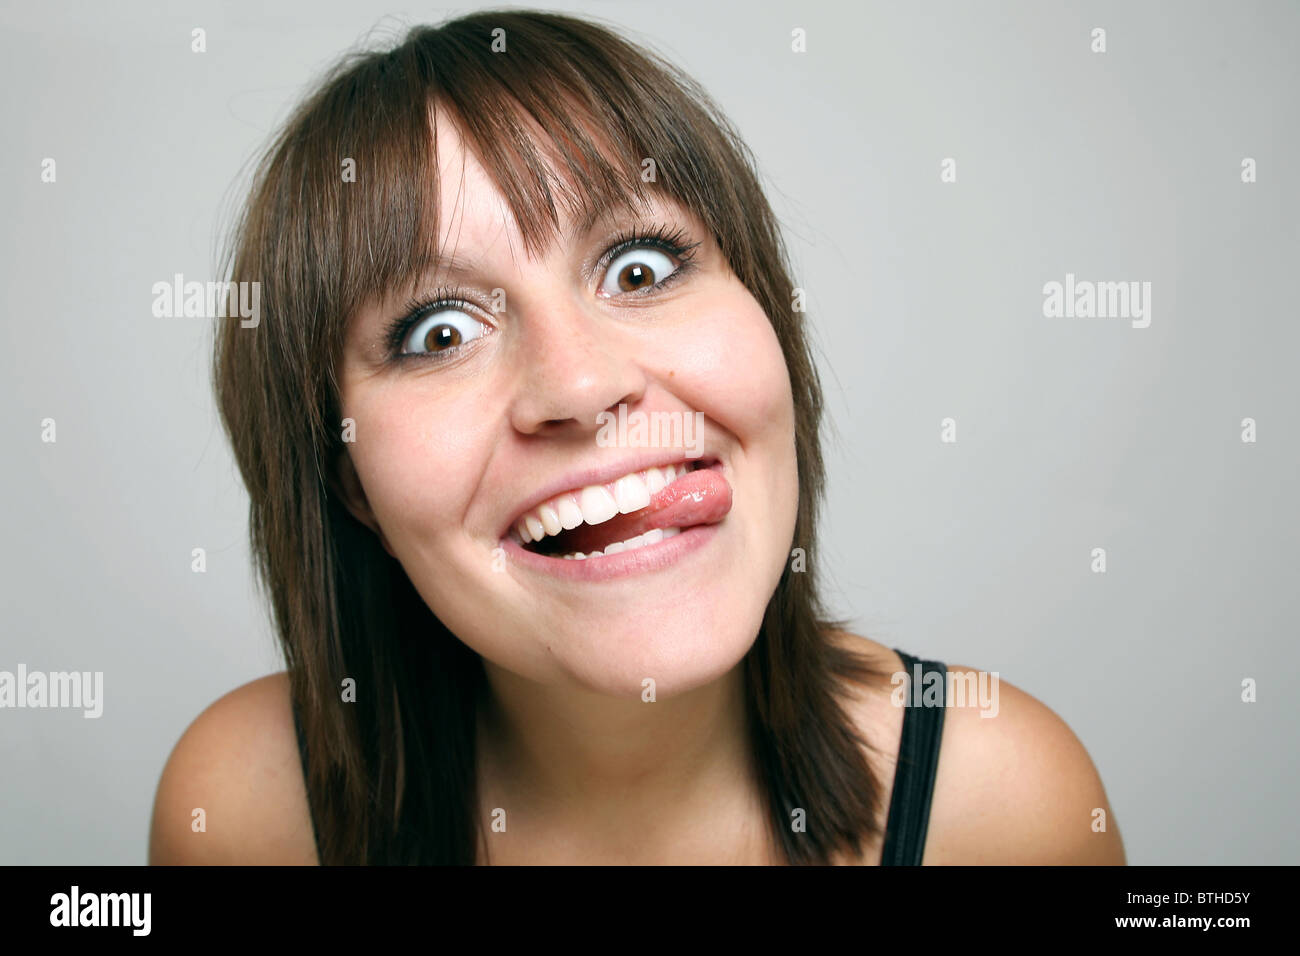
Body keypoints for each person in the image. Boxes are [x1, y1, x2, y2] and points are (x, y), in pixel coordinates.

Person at [148, 9, 1125, 865]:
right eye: (439, 331)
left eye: (640, 268)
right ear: (347, 476)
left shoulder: (1003, 803)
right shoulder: (243, 809)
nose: (579, 384)